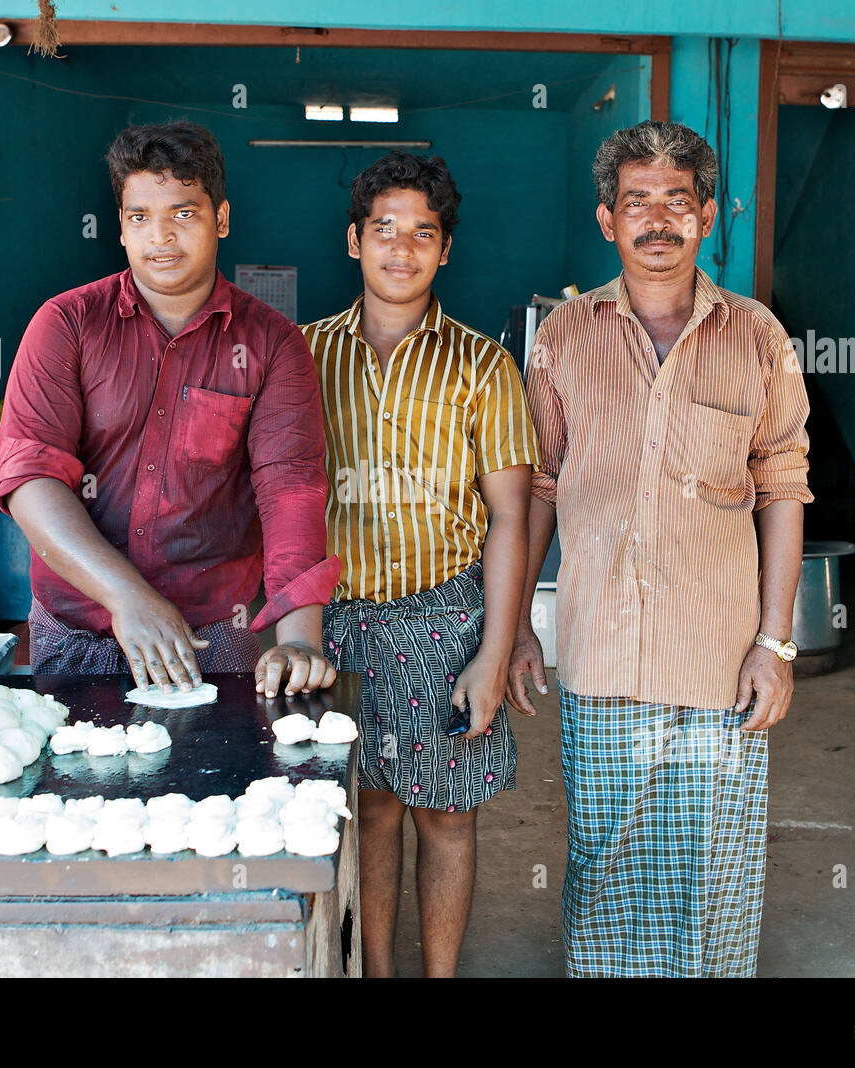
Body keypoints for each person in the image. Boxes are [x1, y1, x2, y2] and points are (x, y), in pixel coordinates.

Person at [507, 120, 813, 977]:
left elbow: (784, 490)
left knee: (713, 874)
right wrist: (523, 628)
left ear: (707, 215)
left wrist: (775, 643)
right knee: (605, 868)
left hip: (721, 664)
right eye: (636, 202)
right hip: (602, 655)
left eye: (677, 201)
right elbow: (540, 486)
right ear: (607, 219)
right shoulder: (564, 337)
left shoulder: (758, 338)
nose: (657, 220)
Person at [0, 121, 339, 700]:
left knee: (216, 783)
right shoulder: (66, 324)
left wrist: (300, 636)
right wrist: (128, 596)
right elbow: (30, 477)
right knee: (73, 784)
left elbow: (291, 489)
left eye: (183, 213)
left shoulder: (273, 343)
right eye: (140, 217)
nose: (161, 237)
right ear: (122, 229)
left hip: (213, 637)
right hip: (76, 626)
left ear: (221, 219)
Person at [301, 153, 540, 977]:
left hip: (446, 620)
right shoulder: (303, 355)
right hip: (335, 625)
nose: (401, 250)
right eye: (384, 230)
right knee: (366, 808)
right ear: (354, 240)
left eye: (423, 234)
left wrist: (496, 649)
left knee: (446, 814)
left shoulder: (483, 365)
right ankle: (378, 973)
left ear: (446, 251)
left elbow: (510, 515)